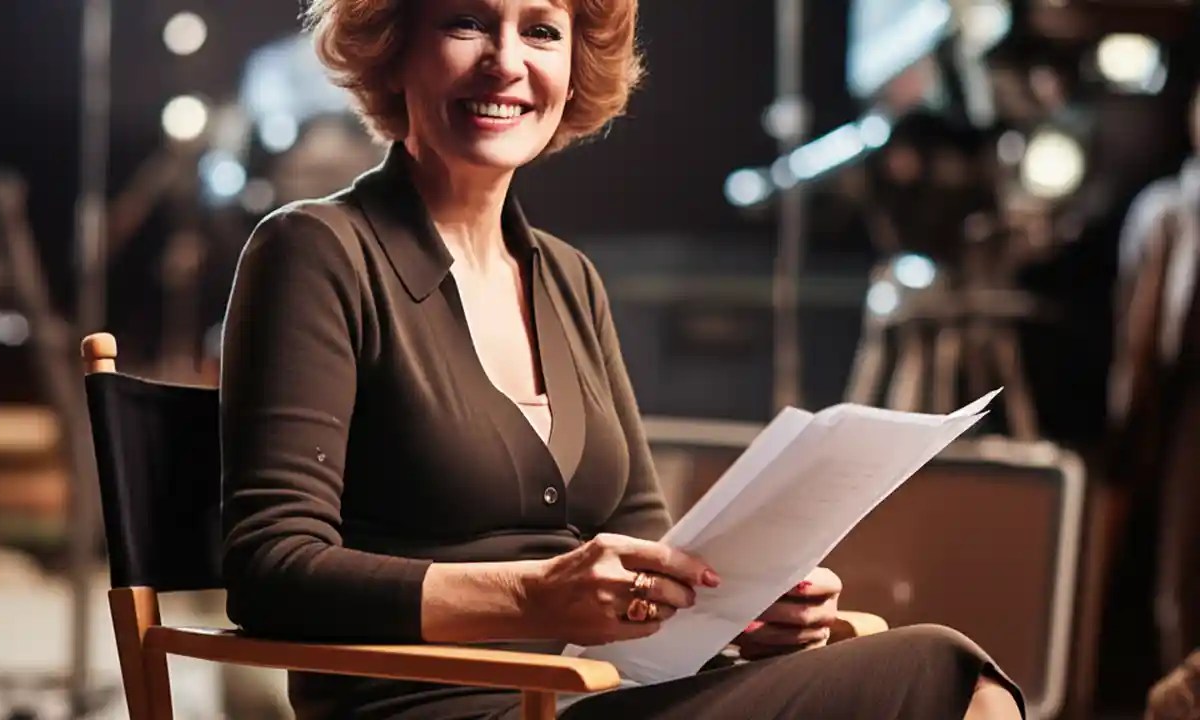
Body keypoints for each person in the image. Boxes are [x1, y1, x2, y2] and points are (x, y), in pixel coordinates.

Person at [217, 0, 1026, 717]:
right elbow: (272, 570)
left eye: (541, 30)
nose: (507, 61)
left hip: (602, 695)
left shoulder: (569, 280)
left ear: (574, 69)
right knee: (944, 676)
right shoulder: (314, 251)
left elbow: (645, 542)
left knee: (952, 680)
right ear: (396, 46)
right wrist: (536, 596)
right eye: (466, 22)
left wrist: (740, 608)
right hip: (440, 706)